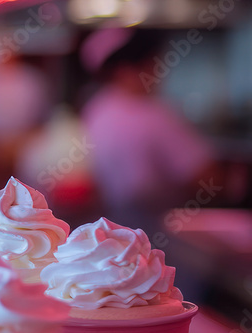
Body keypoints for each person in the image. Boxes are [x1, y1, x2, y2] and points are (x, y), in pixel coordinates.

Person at [79, 27, 217, 236]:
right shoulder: (154, 116)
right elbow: (207, 177)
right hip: (161, 232)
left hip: (108, 234)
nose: (160, 72)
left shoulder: (94, 109)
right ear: (125, 69)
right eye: (153, 64)